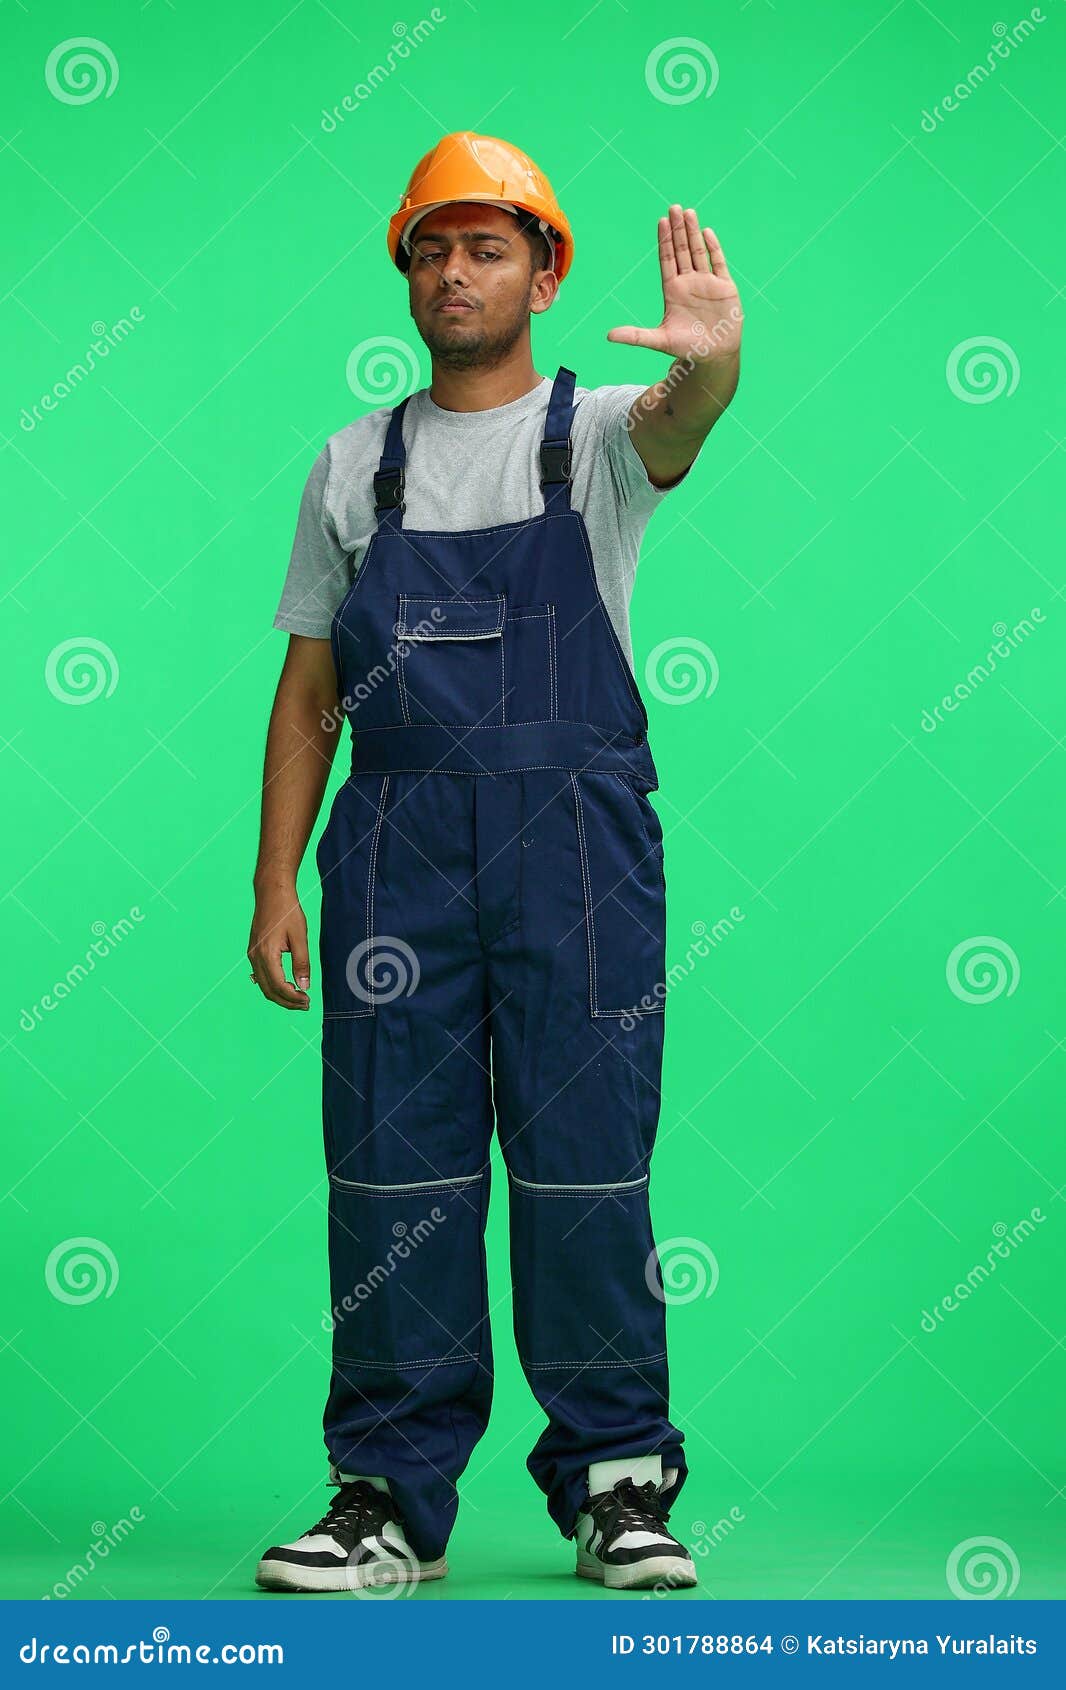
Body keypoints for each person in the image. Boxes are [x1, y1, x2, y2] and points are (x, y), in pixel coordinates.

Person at [249, 130, 741, 1593]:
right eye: (431, 246)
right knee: (392, 1176)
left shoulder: (593, 435)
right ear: (407, 270)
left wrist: (709, 363)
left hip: (571, 850)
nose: (454, 269)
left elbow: (686, 413)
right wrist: (274, 880)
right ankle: (385, 1495)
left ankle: (616, 1480)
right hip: (394, 846)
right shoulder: (353, 464)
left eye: (485, 245)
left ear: (541, 270)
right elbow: (306, 692)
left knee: (585, 1166)